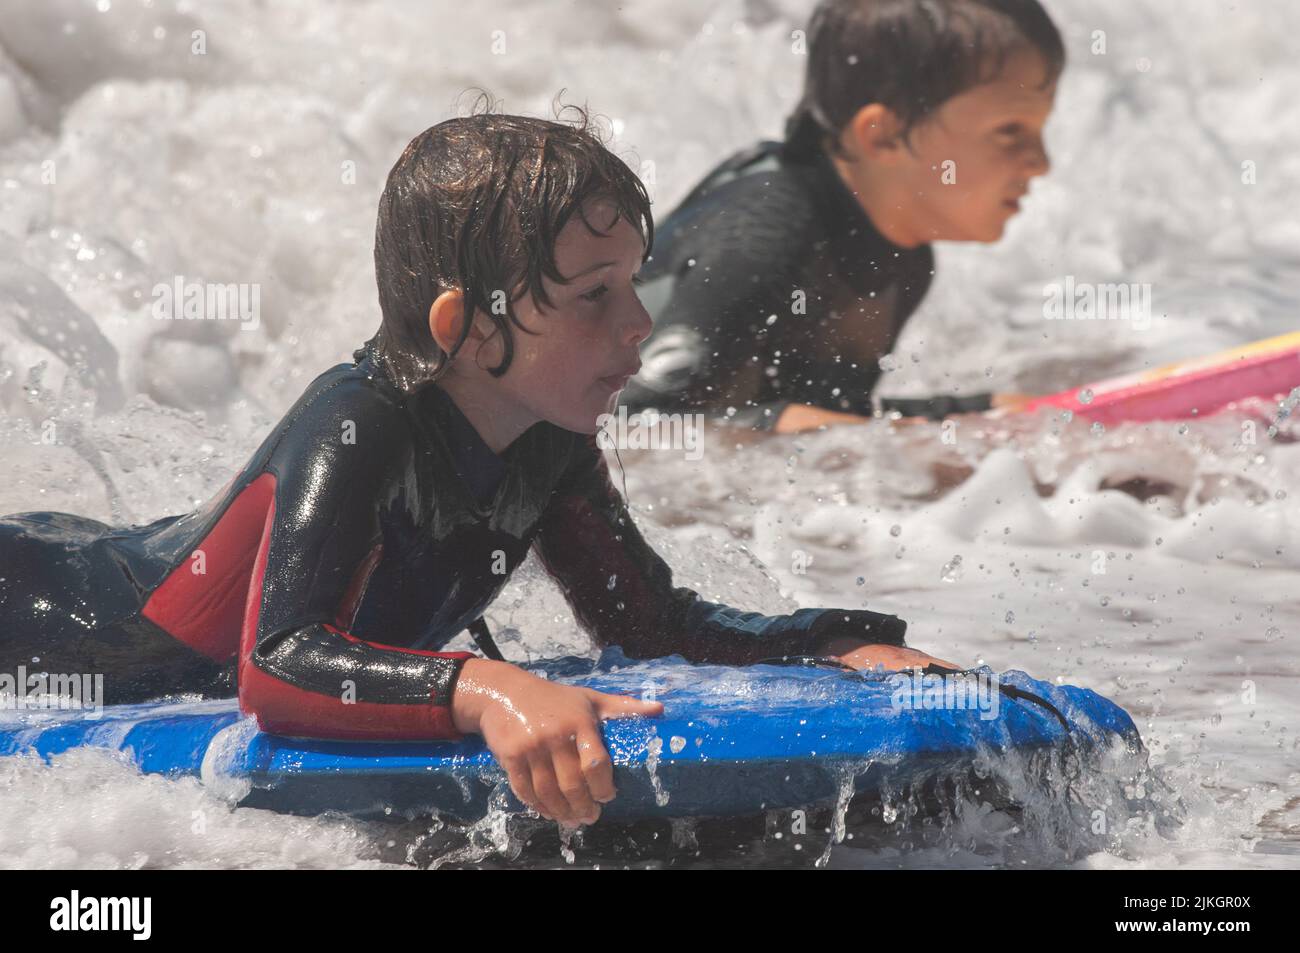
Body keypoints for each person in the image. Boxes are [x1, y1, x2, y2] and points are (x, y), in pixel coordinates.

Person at [0, 106, 954, 829]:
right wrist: (488, 689)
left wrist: (825, 645)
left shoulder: (549, 443)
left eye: (632, 283)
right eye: (593, 296)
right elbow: (277, 667)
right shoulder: (355, 428)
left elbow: (647, 622)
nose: (638, 325)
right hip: (44, 612)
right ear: (466, 324)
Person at [620, 0, 1062, 433]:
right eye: (1010, 131)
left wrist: (967, 413)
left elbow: (824, 413)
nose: (1042, 163)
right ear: (883, 136)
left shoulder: (903, 259)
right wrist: (925, 441)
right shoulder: (764, 230)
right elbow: (632, 428)